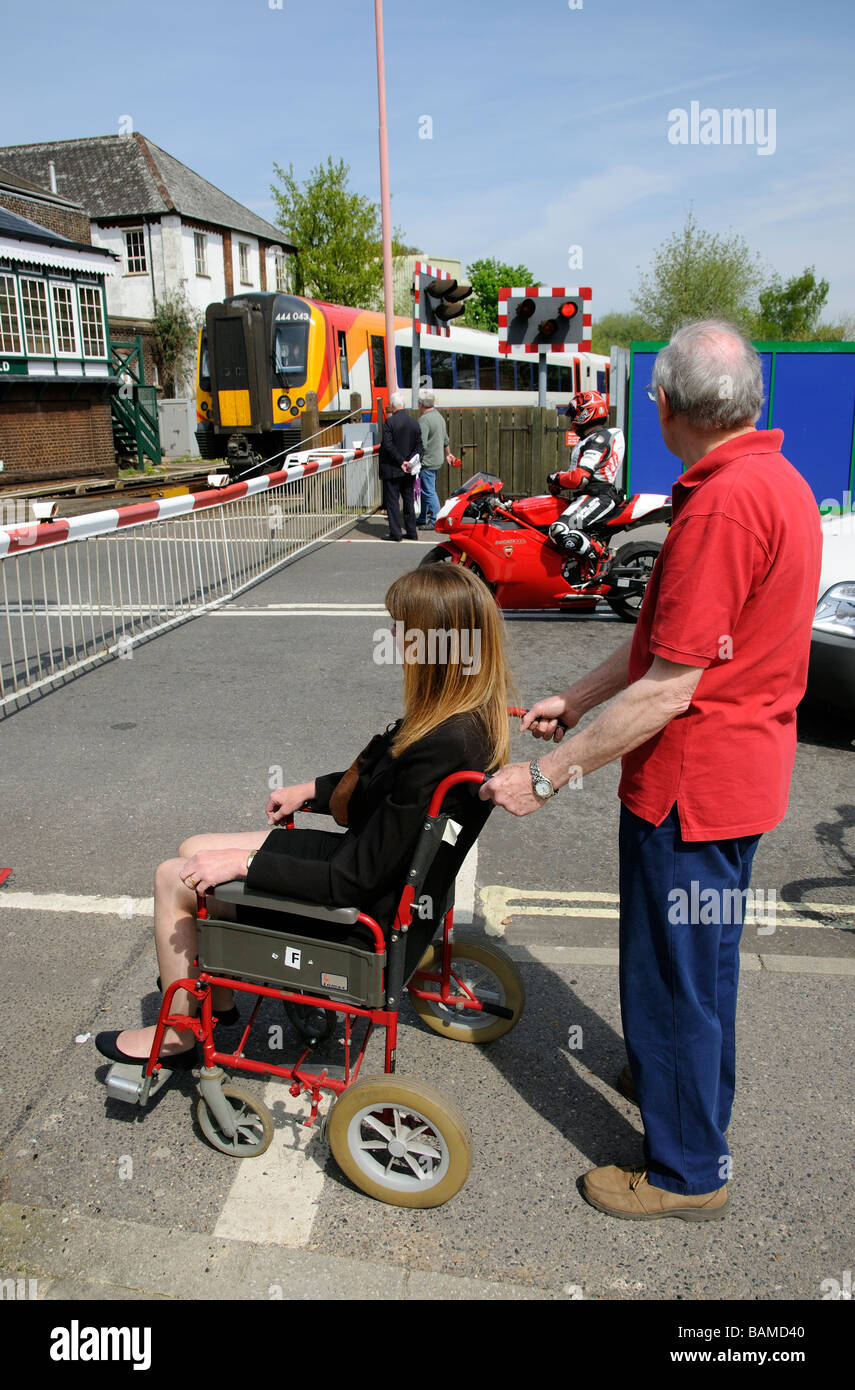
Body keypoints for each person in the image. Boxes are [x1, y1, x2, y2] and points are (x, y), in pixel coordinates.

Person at [480, 319, 822, 1221]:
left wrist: (545, 775)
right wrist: (580, 695)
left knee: (673, 980)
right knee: (699, 968)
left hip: (692, 788)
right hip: (741, 779)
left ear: (667, 406)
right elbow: (666, 642)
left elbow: (669, 690)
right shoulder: (775, 480)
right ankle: (684, 1097)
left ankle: (684, 1172)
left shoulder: (717, 507)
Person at [96, 564, 513, 1069]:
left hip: (360, 908)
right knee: (194, 847)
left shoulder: (441, 743)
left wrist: (245, 864)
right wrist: (312, 792)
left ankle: (178, 1038)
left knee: (174, 877)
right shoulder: (463, 720)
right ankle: (220, 1005)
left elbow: (353, 879)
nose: (394, 636)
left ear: (438, 643)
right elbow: (382, 796)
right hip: (380, 871)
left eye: (403, 627)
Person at [546, 391, 625, 584]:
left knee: (560, 530)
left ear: (585, 413)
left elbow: (580, 478)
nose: (572, 419)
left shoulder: (597, 439)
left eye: (574, 413)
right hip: (590, 496)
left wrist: (556, 478)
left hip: (598, 496)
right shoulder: (594, 438)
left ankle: (603, 557)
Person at [379, 391, 423, 541]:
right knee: (408, 500)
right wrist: (411, 462)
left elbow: (388, 445)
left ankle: (396, 533)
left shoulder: (389, 423)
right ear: (403, 405)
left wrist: (400, 461)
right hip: (409, 470)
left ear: (392, 406)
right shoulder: (414, 423)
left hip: (392, 468)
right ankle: (412, 531)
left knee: (392, 501)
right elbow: (419, 447)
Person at [417, 389, 454, 530]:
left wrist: (414, 460)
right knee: (425, 489)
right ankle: (422, 517)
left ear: (421, 404)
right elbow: (445, 440)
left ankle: (435, 519)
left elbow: (422, 444)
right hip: (437, 459)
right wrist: (448, 454)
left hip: (427, 461)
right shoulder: (439, 417)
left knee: (428, 491)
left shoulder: (424, 420)